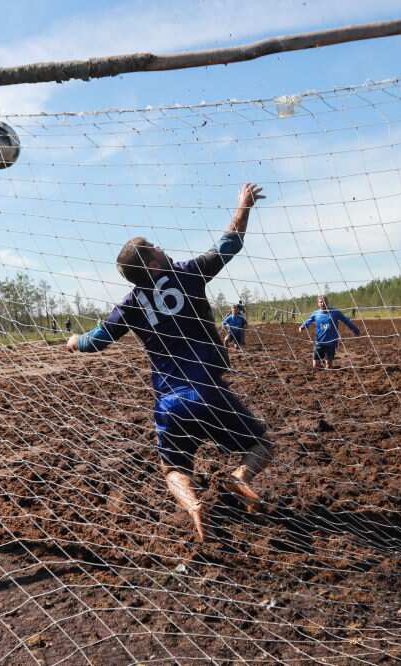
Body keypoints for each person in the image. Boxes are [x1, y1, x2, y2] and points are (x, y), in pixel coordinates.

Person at [66, 183, 270, 541]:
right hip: (208, 390)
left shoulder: (128, 306)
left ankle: (192, 506)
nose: (161, 246)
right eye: (155, 246)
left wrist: (73, 342)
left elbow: (96, 341)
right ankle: (239, 478)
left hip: (169, 402)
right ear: (155, 261)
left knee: (173, 468)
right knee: (261, 445)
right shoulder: (188, 274)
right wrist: (244, 205)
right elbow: (230, 243)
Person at [299, 295, 360, 370]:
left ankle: (330, 366)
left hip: (331, 343)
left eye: (324, 302)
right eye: (321, 302)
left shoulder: (335, 312)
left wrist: (355, 329)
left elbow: (346, 320)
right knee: (315, 366)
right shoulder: (316, 313)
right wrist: (303, 326)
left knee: (328, 366)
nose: (323, 303)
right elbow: (309, 320)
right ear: (318, 303)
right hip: (319, 342)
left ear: (327, 302)